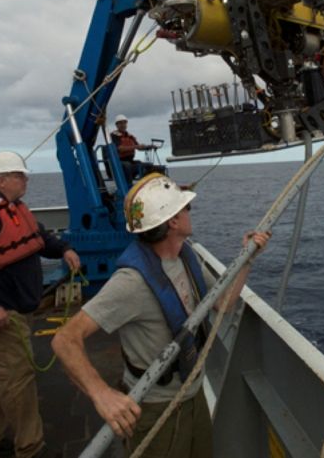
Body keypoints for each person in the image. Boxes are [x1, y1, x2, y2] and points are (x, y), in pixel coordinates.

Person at [52, 173, 270, 457]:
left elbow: (223, 303)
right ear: (173, 222)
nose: (191, 211)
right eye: (185, 208)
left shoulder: (185, 257)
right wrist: (102, 394)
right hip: (157, 410)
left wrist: (247, 260)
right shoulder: (131, 282)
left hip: (193, 396)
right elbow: (64, 339)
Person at [0, 151, 81, 458]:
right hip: (2, 314)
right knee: (18, 382)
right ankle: (30, 448)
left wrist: (64, 249)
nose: (26, 180)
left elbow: (39, 239)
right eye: (20, 175)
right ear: (1, 180)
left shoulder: (15, 210)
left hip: (17, 310)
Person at [110, 115, 153, 179]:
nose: (123, 125)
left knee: (148, 165)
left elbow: (138, 147)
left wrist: (148, 147)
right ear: (116, 125)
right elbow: (120, 149)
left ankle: (146, 184)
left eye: (124, 122)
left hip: (130, 161)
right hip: (119, 161)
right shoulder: (114, 136)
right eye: (120, 123)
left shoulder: (130, 136)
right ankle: (128, 184)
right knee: (127, 165)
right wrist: (136, 146)